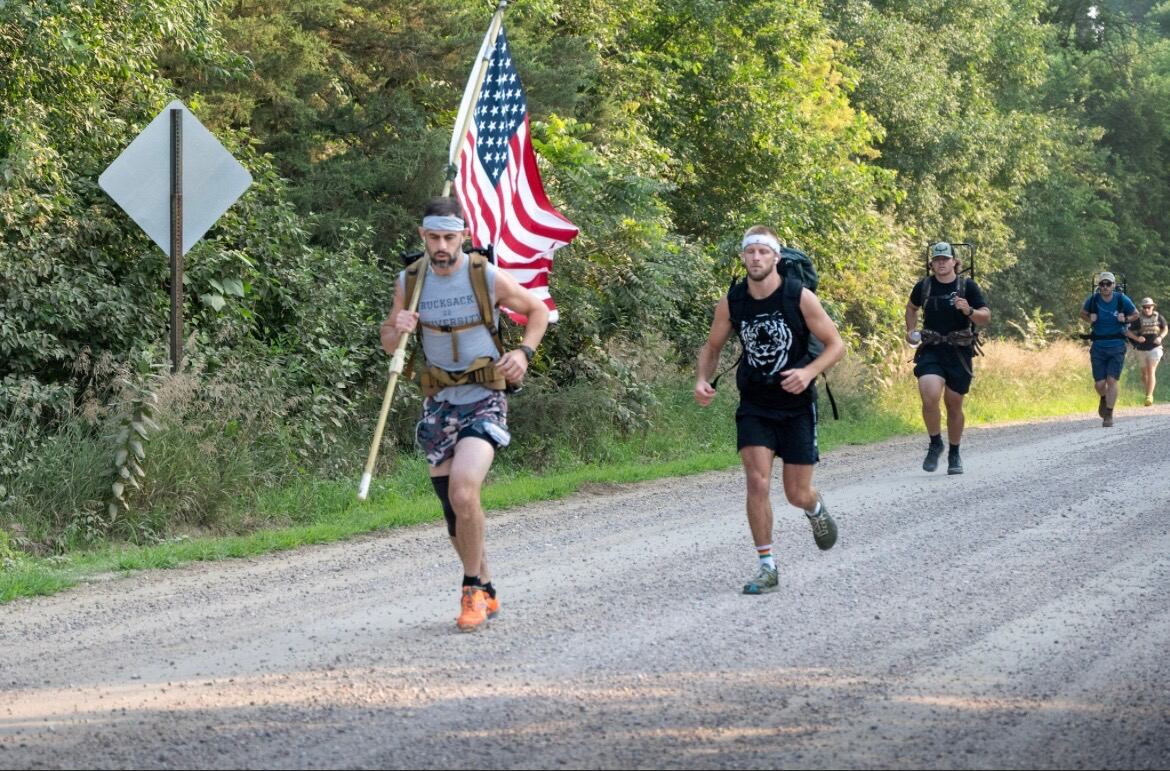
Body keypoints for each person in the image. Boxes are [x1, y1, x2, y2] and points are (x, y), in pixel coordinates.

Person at [380, 197, 549, 632]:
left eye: (449, 237)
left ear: (463, 236)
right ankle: (488, 587)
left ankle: (470, 590)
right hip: (438, 402)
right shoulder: (410, 280)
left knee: (463, 490)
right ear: (422, 236)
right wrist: (396, 328)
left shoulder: (484, 275)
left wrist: (524, 353)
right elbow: (386, 340)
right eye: (433, 237)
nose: (441, 245)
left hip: (485, 394)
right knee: (454, 511)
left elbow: (538, 310)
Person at [694, 225, 846, 595]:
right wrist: (702, 378)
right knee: (756, 480)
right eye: (751, 252)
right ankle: (767, 565)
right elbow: (713, 347)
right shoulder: (734, 301)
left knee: (797, 493)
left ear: (776, 257)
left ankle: (814, 507)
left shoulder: (799, 296)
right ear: (744, 258)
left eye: (764, 252)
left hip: (796, 406)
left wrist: (808, 372)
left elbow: (835, 345)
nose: (757, 258)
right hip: (756, 404)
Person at [904, 241, 990, 474]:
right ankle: (935, 443)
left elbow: (985, 317)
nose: (941, 263)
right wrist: (910, 332)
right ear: (931, 264)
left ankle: (954, 452)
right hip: (931, 348)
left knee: (954, 404)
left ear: (954, 262)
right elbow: (911, 308)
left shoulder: (968, 287)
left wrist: (969, 311)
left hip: (959, 352)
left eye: (945, 259)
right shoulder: (924, 286)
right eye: (937, 260)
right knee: (929, 394)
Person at [1080, 271, 1137, 427]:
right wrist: (1089, 318)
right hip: (1098, 345)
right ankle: (1104, 399)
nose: (1105, 287)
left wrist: (1124, 319)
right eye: (1102, 284)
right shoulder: (1093, 300)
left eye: (1108, 284)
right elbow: (1082, 313)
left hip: (1117, 344)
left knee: (1112, 380)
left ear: (1113, 285)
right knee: (1099, 384)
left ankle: (1109, 415)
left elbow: (1135, 314)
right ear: (1099, 286)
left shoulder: (1122, 299)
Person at [1126, 297, 1167, 407]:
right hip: (1141, 349)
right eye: (1144, 307)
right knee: (1144, 375)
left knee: (1151, 370)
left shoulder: (1159, 317)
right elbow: (1126, 331)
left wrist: (1160, 337)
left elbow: (1165, 328)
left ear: (1153, 306)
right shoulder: (1138, 319)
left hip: (1155, 348)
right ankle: (1148, 390)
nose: (1147, 309)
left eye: (1149, 307)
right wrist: (1136, 338)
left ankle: (1149, 396)